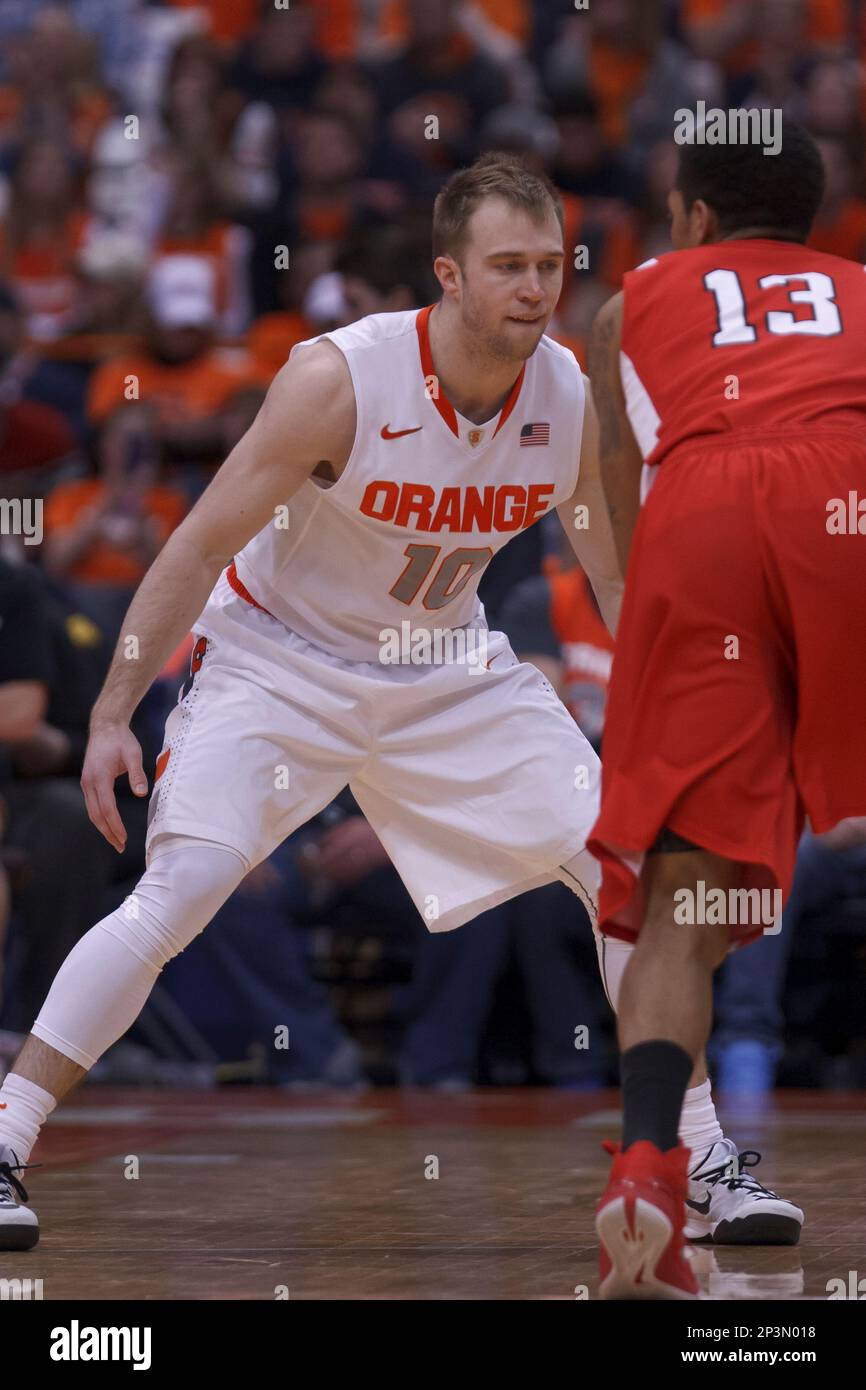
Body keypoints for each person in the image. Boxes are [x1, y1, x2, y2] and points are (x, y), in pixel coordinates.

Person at [0, 153, 785, 1255]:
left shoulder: (566, 393)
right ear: (446, 277)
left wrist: (690, 715)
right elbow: (197, 542)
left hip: (449, 670)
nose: (532, 287)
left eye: (548, 265)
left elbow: (616, 582)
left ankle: (690, 1158)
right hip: (279, 662)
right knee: (181, 887)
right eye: (504, 265)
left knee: (626, 870)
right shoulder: (337, 380)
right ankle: (5, 1134)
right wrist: (113, 708)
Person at [587, 118, 865, 1298]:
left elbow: (614, 506)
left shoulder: (630, 301)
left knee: (679, 900)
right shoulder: (859, 292)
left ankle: (648, 1164)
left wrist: (668, 620)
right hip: (845, 498)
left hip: (703, 518)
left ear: (693, 217)